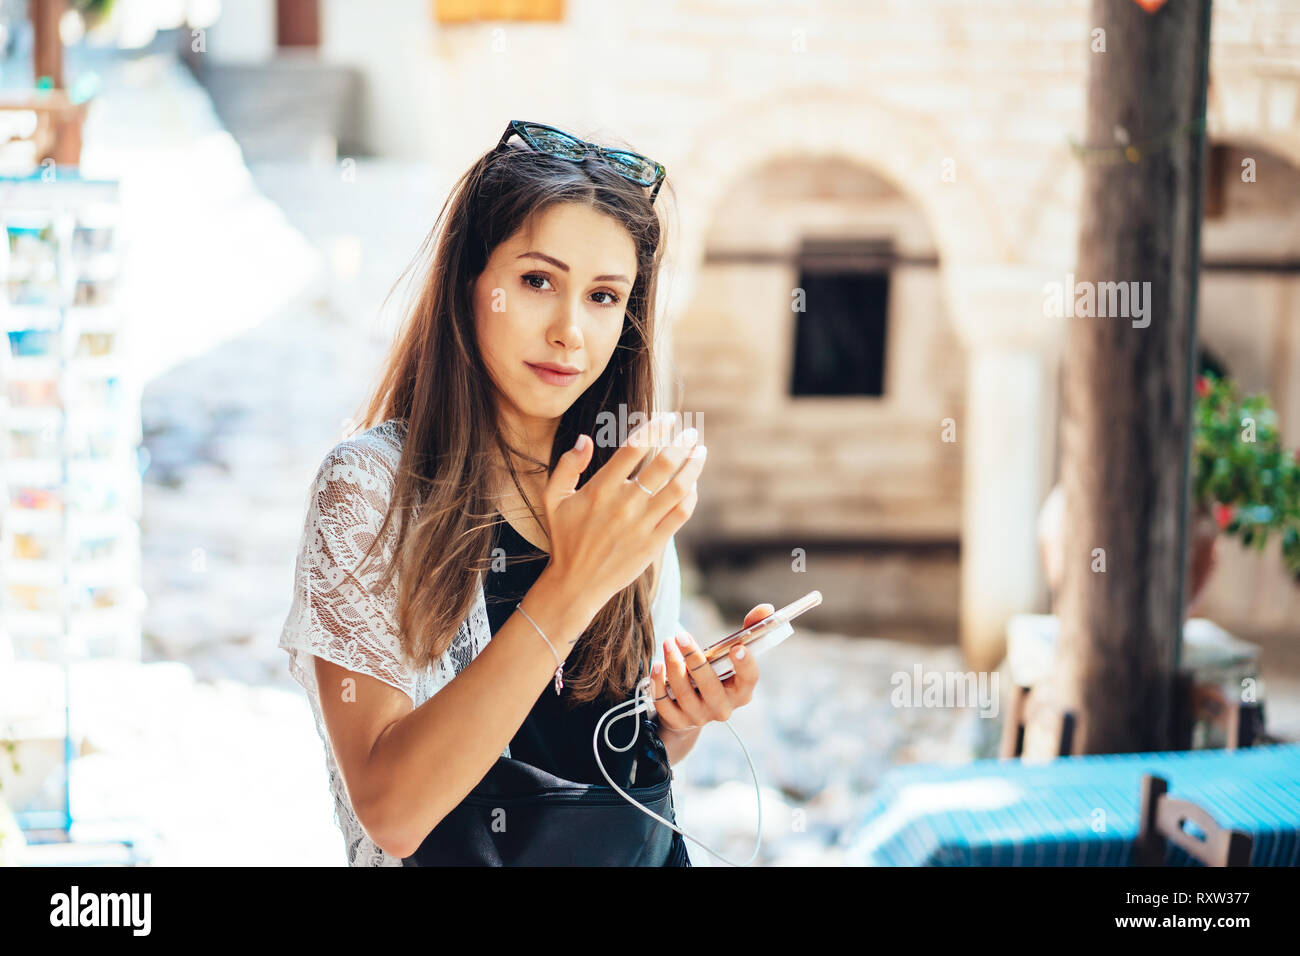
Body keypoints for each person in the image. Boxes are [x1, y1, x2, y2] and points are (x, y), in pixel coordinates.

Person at [278, 120, 770, 866]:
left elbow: (592, 764)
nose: (570, 331)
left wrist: (679, 721)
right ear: (472, 282)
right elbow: (394, 811)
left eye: (605, 296)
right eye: (538, 281)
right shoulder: (368, 493)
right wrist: (572, 587)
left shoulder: (625, 497)